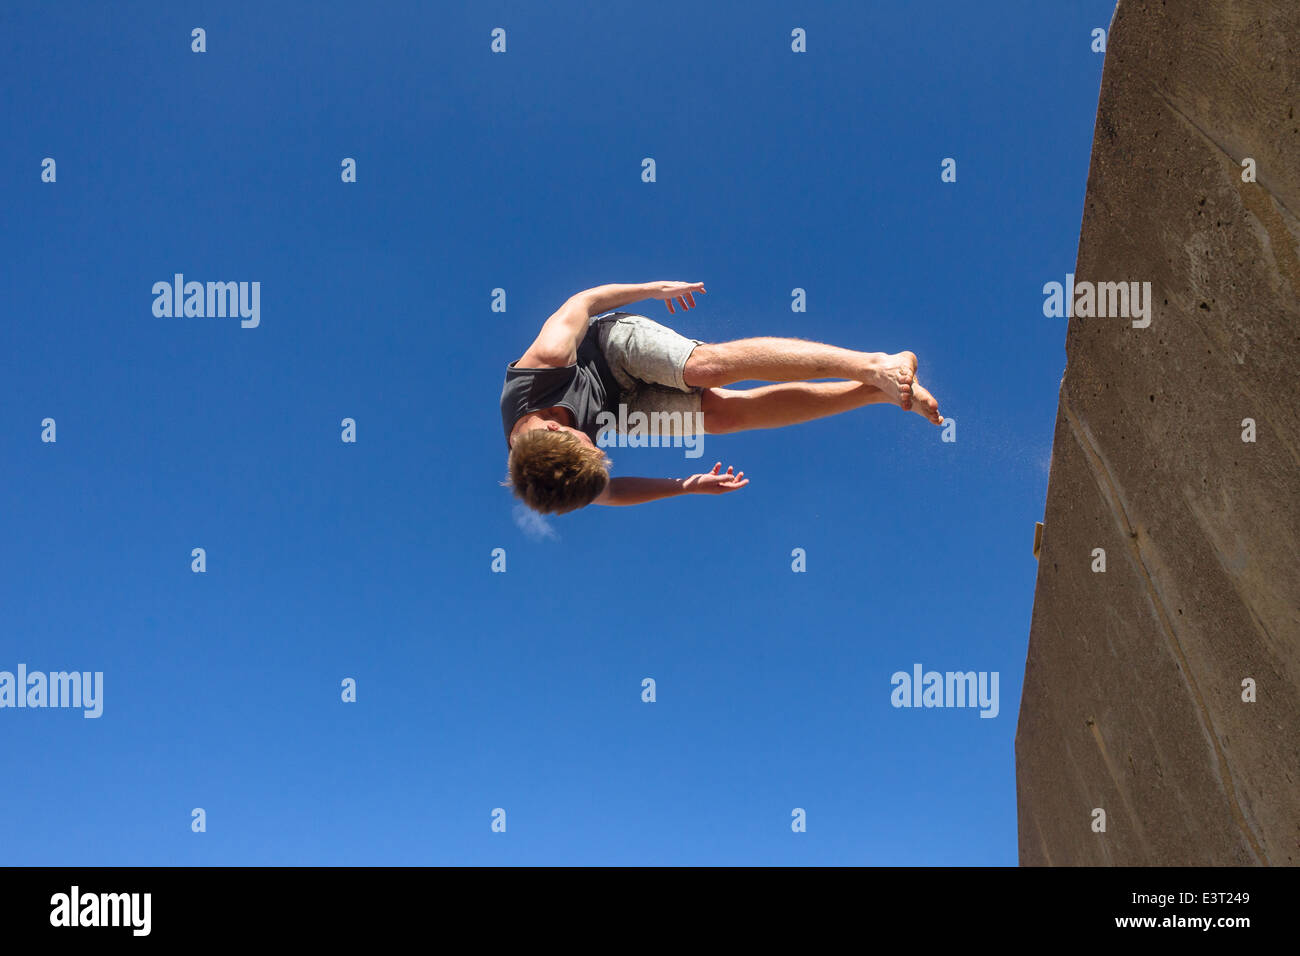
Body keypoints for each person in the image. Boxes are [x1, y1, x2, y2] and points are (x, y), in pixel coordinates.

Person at [500, 281, 942, 514]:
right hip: (620, 408)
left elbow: (586, 300)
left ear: (555, 426)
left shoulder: (546, 363)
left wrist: (654, 289)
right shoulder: (561, 478)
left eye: (588, 443)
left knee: (704, 368)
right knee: (722, 417)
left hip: (611, 346)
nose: (596, 443)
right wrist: (685, 487)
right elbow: (610, 493)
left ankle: (873, 364)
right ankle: (875, 394)